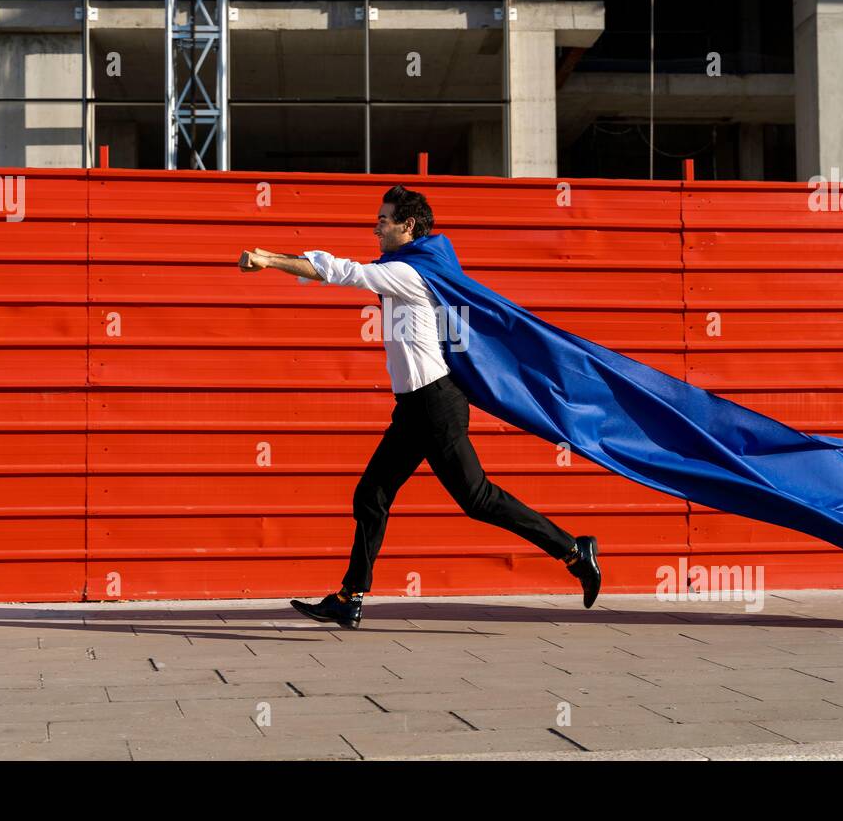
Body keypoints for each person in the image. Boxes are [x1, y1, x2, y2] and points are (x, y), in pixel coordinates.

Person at [237, 185, 600, 628]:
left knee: (477, 499)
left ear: (408, 226)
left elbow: (342, 271)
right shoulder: (407, 268)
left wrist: (270, 259)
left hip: (435, 404)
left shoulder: (408, 274)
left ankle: (572, 550)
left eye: (383, 220)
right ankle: (350, 597)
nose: (376, 227)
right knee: (372, 494)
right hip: (414, 408)